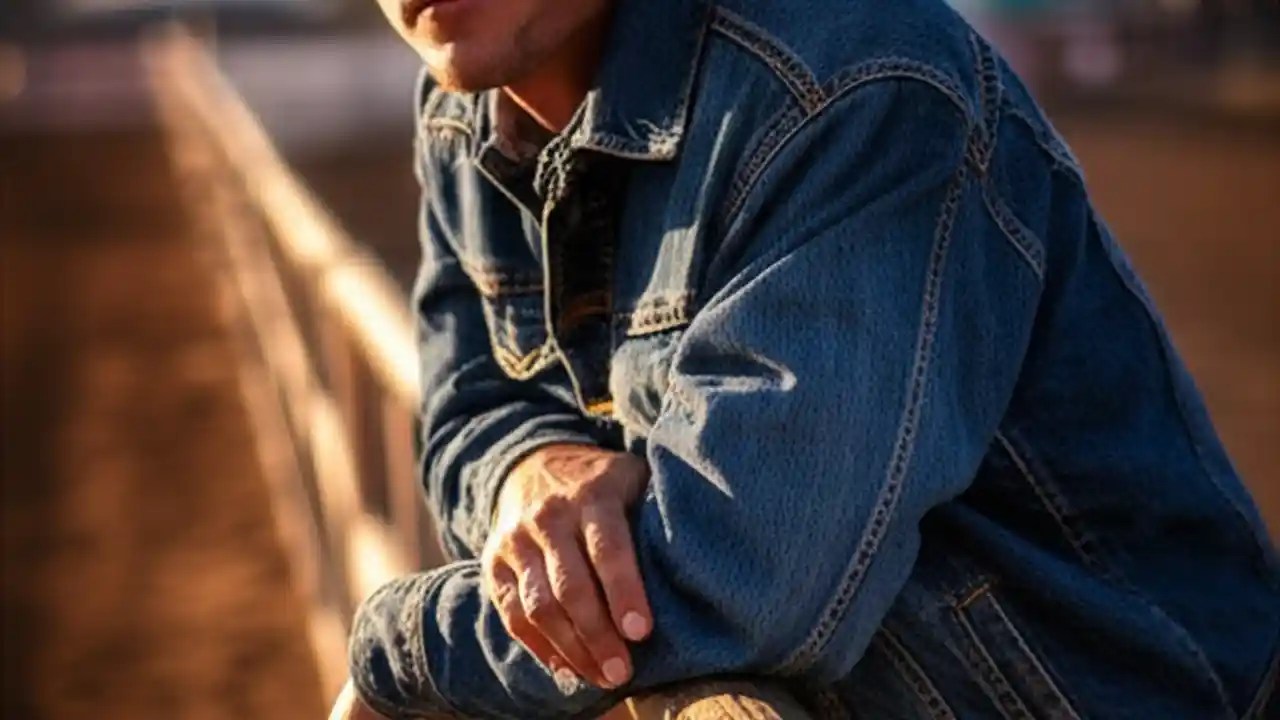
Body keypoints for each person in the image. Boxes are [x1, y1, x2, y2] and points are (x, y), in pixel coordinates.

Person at [330, 0, 1280, 717]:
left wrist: (399, 646)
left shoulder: (860, 81)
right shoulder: (469, 105)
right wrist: (536, 467)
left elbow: (738, 578)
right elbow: (468, 401)